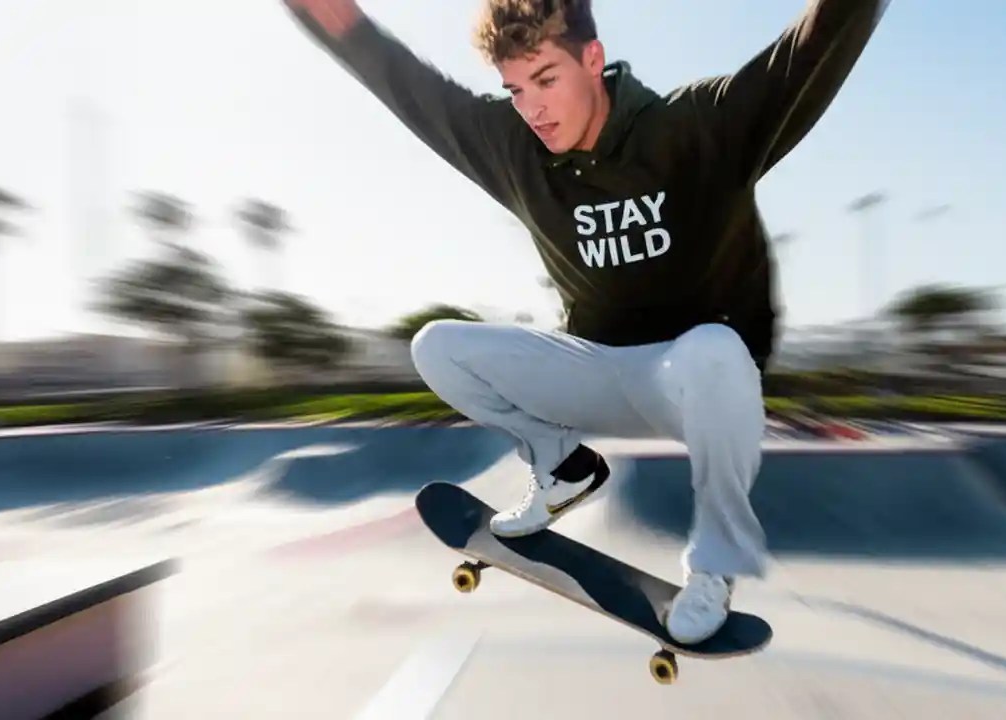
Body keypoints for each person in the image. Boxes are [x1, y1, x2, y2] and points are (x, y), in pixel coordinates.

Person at [284, 0, 889, 644]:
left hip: (696, 382)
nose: (533, 109)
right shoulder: (511, 145)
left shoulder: (696, 128)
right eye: (515, 89)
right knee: (438, 346)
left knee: (714, 349)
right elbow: (400, 79)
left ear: (592, 60)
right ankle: (562, 468)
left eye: (546, 79)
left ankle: (714, 565)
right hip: (598, 370)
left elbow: (811, 50)